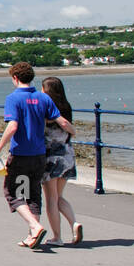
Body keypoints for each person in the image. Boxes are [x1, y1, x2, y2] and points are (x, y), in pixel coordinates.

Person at [0, 62, 76, 249]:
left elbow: (12, 126)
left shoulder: (13, 98)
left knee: (14, 192)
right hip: (39, 155)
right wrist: (73, 132)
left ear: (15, 78)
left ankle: (35, 226)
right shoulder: (43, 98)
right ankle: (32, 236)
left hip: (21, 153)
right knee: (33, 195)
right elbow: (62, 121)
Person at [41, 76, 83, 245]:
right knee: (59, 196)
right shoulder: (66, 106)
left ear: (47, 91)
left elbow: (62, 123)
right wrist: (74, 132)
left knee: (51, 198)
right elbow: (68, 126)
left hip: (52, 155)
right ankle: (74, 223)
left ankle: (57, 237)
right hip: (67, 154)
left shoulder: (47, 108)